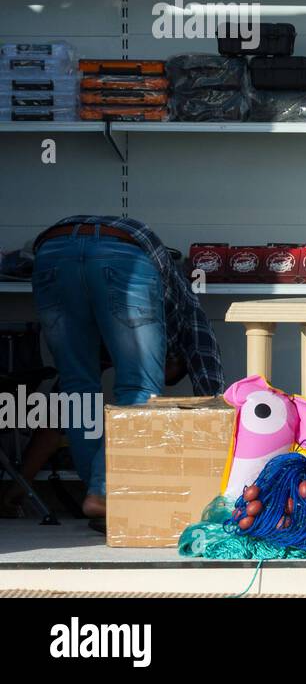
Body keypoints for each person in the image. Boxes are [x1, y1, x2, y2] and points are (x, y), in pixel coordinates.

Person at [31, 216, 225, 532]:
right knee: (140, 388)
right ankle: (104, 493)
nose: (164, 374)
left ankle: (99, 499)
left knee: (76, 389)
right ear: (175, 357)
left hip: (52, 250)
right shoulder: (182, 316)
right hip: (122, 251)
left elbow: (62, 409)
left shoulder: (107, 339)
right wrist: (218, 409)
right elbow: (204, 352)